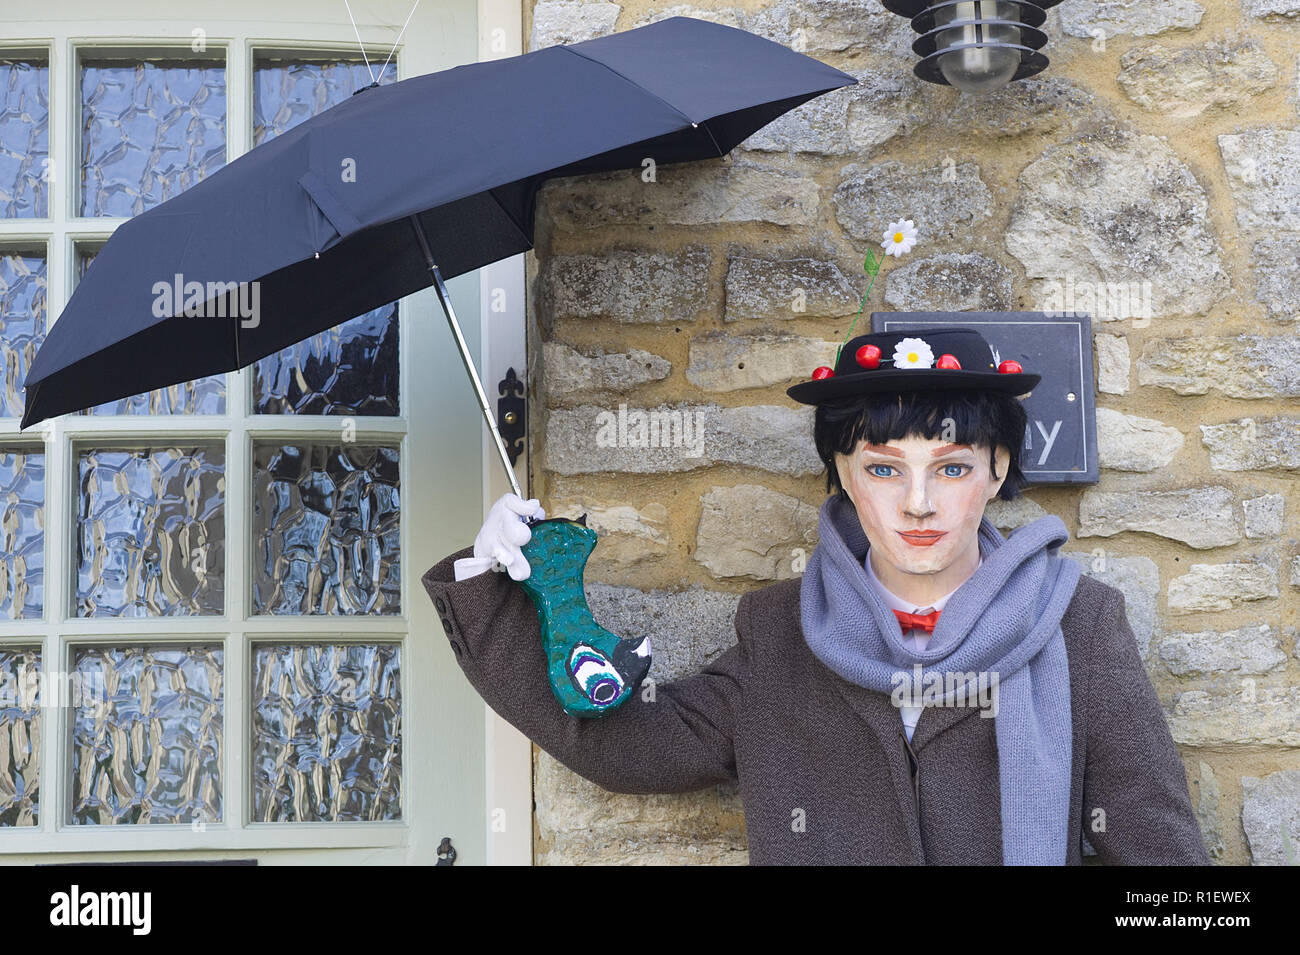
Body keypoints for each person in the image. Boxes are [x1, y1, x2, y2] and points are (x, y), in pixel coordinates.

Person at [421, 326, 1211, 865]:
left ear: (999, 469)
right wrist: (505, 584)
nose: (919, 503)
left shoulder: (1081, 625)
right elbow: (627, 744)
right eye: (883, 467)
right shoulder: (779, 634)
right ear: (841, 473)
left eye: (953, 466)